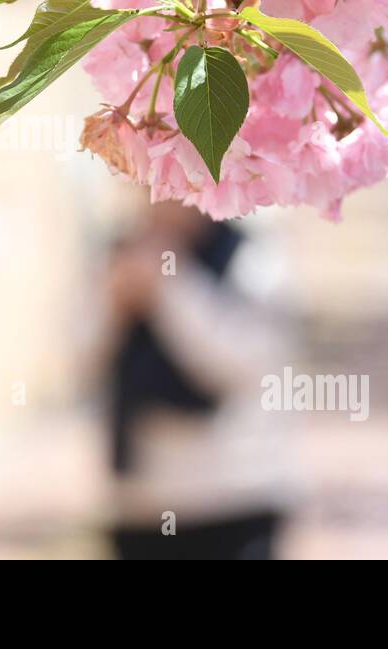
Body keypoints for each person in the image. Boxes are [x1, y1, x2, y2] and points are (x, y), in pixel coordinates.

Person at [86, 200, 295, 560]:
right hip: (141, 504)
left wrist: (168, 287)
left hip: (235, 497)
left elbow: (244, 364)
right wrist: (115, 306)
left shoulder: (251, 258)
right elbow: (80, 358)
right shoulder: (119, 251)